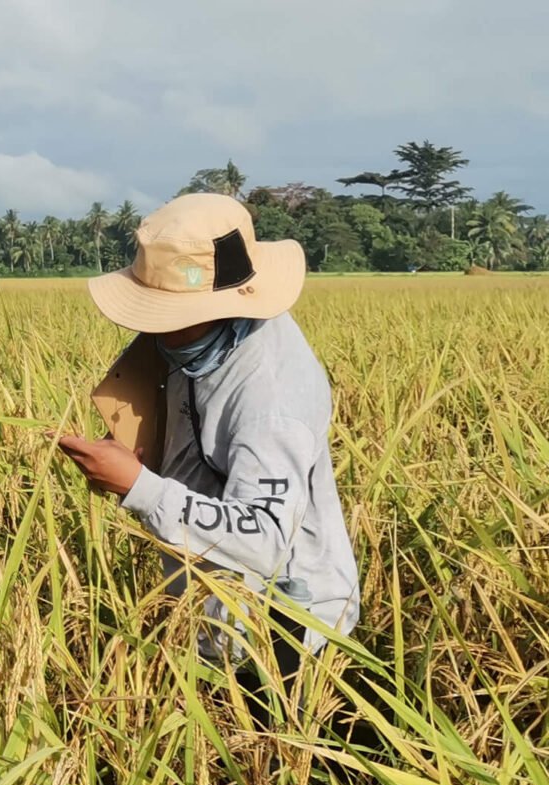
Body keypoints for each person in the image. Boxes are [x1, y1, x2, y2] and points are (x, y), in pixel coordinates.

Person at [56, 193, 360, 712]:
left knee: (269, 777)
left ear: (224, 307)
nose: (151, 327)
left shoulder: (271, 398)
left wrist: (137, 487)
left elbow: (265, 538)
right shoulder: (196, 342)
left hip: (282, 639)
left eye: (168, 313)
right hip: (211, 619)